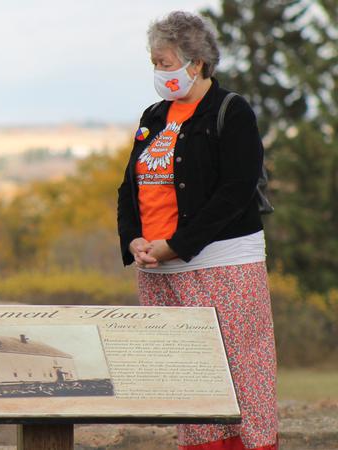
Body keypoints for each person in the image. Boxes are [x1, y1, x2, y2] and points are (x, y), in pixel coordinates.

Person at [116, 11, 278, 450]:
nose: (158, 72)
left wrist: (177, 245)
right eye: (155, 62)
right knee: (189, 374)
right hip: (158, 267)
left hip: (220, 265)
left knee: (241, 369)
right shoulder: (154, 115)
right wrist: (134, 240)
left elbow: (235, 192)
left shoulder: (231, 111)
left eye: (166, 62)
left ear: (197, 63)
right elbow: (129, 186)